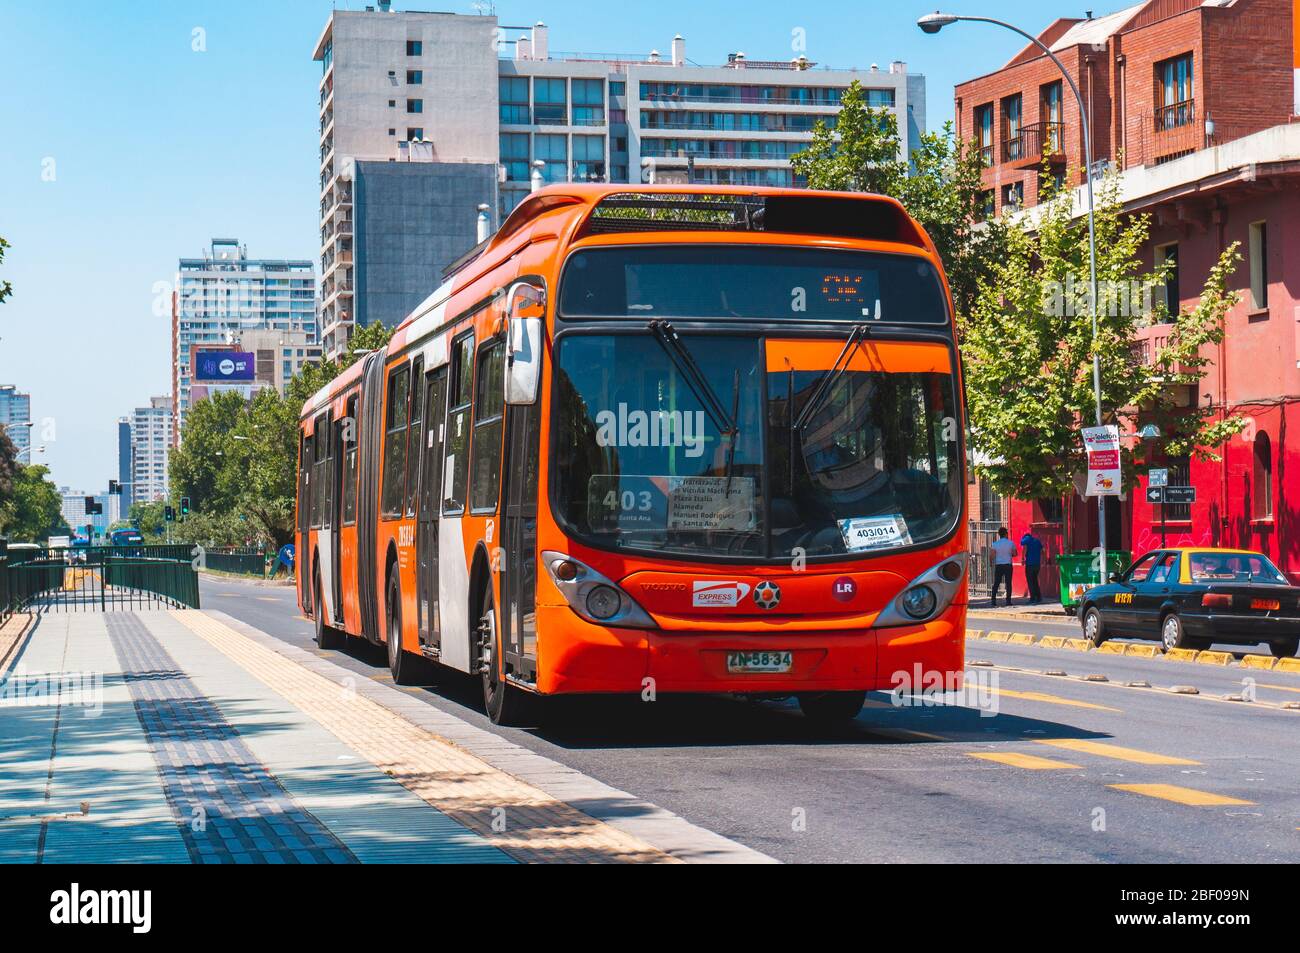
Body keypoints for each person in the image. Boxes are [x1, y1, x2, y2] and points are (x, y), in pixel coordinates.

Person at [989, 527, 1016, 606]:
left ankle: (993, 600)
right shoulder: (1011, 543)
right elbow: (1015, 553)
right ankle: (1008, 601)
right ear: (1006, 534)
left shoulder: (995, 544)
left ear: (999, 534)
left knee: (996, 582)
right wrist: (1009, 554)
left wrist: (991, 563)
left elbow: (992, 555)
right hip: (1008, 564)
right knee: (1008, 583)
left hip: (999, 565)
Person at [1020, 530, 1044, 604]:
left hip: (1030, 564)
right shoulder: (1037, 541)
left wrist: (1023, 558)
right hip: (1037, 564)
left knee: (1030, 581)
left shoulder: (1026, 540)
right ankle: (1039, 597)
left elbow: (1024, 548)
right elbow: (1042, 551)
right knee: (1035, 580)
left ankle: (1033, 598)